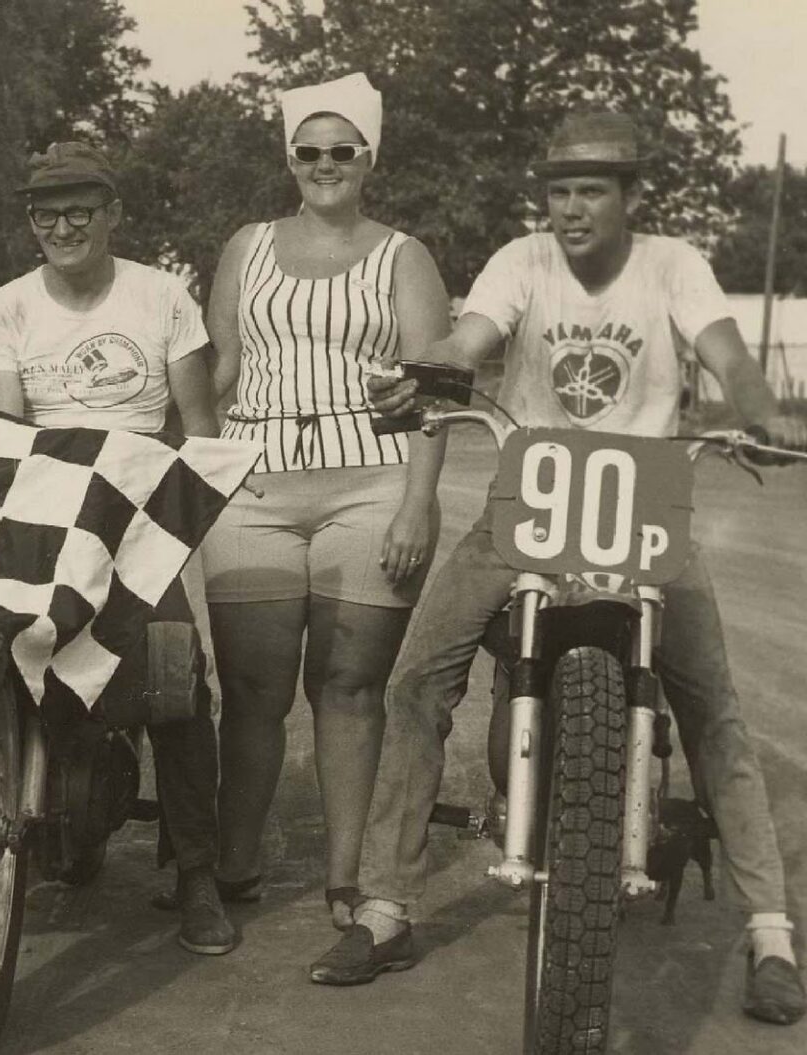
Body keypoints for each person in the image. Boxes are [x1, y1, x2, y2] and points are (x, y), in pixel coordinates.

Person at [311, 111, 807, 1027]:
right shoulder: (522, 260)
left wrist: (763, 409)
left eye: (591, 190)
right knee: (418, 678)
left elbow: (730, 355)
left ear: (630, 198)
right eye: (559, 191)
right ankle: (385, 906)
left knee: (713, 708)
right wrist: (429, 370)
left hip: (648, 504)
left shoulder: (674, 265)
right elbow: (469, 339)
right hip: (528, 500)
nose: (571, 208)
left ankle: (771, 931)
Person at [0, 140, 234, 955]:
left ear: (114, 213)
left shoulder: (161, 295)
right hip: (46, 505)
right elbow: (7, 435)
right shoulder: (5, 306)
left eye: (82, 207)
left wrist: (170, 531)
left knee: (174, 668)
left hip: (144, 510)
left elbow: (197, 427)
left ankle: (195, 870)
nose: (64, 224)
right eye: (46, 210)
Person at [197, 72, 451, 930]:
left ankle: (345, 875)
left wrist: (418, 504)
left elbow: (430, 391)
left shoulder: (404, 256)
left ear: (369, 157)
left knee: (348, 686)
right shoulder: (247, 245)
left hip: (372, 484)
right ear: (290, 158)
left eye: (342, 151)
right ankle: (234, 863)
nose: (324, 165)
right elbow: (222, 369)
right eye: (308, 151)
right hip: (254, 485)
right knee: (252, 686)